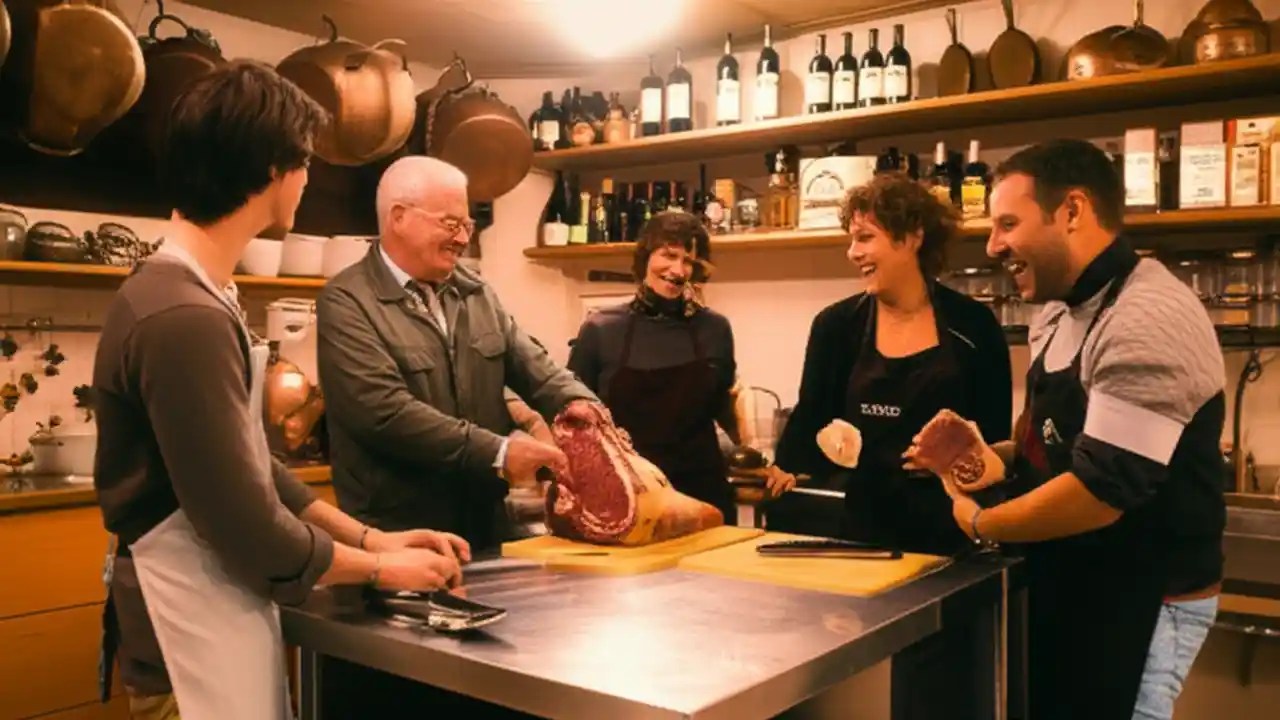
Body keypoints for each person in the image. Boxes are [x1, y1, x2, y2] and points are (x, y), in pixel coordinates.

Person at [92, 62, 468, 720]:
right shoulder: (183, 317)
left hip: (208, 607)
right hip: (184, 628)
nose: (307, 177)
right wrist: (381, 571)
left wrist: (370, 539)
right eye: (304, 160)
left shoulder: (193, 292)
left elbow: (245, 464)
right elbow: (242, 522)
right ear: (273, 168)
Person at [911, 139, 1225, 720]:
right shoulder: (1056, 309)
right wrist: (987, 456)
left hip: (1147, 596)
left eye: (1008, 223)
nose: (993, 244)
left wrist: (982, 521)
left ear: (1073, 211)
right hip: (1079, 582)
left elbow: (1102, 491)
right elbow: (1050, 438)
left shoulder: (1145, 316)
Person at [315, 155, 600, 551]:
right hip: (397, 539)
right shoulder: (347, 301)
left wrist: (593, 419)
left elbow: (540, 372)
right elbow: (384, 413)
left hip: (485, 527)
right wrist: (500, 452)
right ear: (398, 217)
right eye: (450, 224)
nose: (464, 238)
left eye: (467, 225)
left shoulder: (475, 292)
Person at [774, 172, 1012, 556]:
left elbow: (994, 442)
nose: (852, 252)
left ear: (913, 236)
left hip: (953, 534)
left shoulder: (974, 326)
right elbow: (812, 416)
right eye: (851, 239)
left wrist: (953, 459)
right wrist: (780, 467)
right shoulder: (836, 327)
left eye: (865, 237)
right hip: (863, 535)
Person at [566, 211, 778, 523]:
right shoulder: (601, 329)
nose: (678, 270)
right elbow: (574, 419)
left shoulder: (714, 329)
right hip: (629, 494)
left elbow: (724, 409)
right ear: (645, 257)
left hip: (702, 493)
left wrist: (759, 461)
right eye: (669, 255)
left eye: (689, 261)